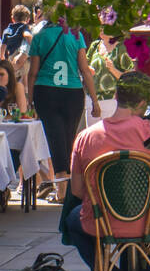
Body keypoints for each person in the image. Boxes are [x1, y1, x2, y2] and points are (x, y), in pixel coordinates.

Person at [64, 72, 150, 271]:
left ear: (116, 96)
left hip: (101, 221)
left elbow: (76, 190)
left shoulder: (85, 137)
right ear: (143, 103)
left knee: (72, 220)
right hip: (149, 221)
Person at [28, 16, 101, 203]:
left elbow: (33, 72)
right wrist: (94, 100)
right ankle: (69, 188)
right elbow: (84, 69)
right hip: (72, 92)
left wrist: (29, 100)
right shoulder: (76, 36)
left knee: (54, 137)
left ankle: (62, 188)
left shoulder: (39, 36)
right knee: (69, 136)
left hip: (46, 91)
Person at [88, 32, 132, 121]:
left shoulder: (120, 49)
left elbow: (129, 78)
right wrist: (88, 69)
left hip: (111, 100)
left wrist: (113, 69)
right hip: (92, 99)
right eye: (100, 26)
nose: (101, 30)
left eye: (104, 27)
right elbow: (85, 65)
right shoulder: (95, 45)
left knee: (110, 133)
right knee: (93, 133)